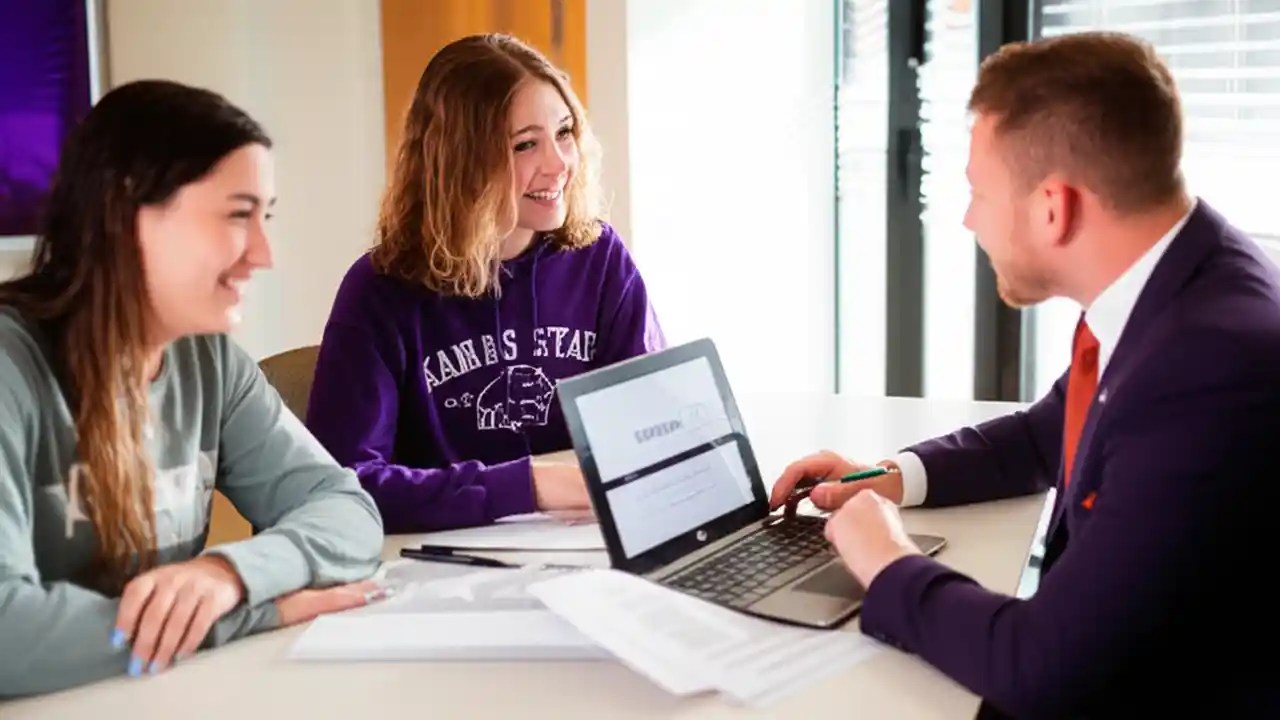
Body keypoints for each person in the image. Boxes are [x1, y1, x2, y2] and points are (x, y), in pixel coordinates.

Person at [771, 32, 1280, 717]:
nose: (968, 218)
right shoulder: (1183, 274)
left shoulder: (1206, 367)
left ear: (1052, 207)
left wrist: (888, 561)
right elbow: (1050, 432)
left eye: (979, 192)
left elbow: (1041, 664)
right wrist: (883, 477)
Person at [0, 80, 387, 697]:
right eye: (238, 215)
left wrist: (229, 573)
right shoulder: (10, 370)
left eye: (267, 217)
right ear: (126, 218)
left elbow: (349, 513)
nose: (263, 254)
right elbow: (8, 636)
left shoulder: (210, 361)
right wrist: (245, 613)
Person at [305, 34, 666, 533]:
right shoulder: (379, 290)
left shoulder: (599, 258)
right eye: (525, 144)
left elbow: (654, 430)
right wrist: (532, 485)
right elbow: (344, 486)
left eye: (564, 133)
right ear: (461, 160)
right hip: (436, 572)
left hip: (583, 553)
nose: (558, 164)